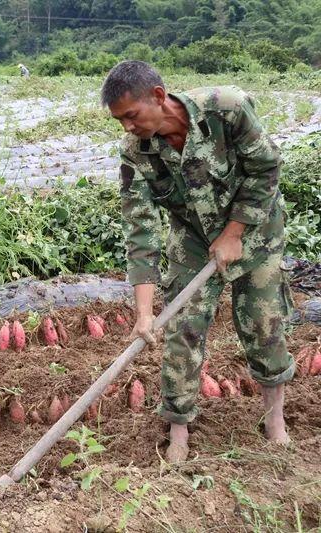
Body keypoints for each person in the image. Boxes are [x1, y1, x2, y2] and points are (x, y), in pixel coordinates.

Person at [100, 60, 295, 463]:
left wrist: (235, 232)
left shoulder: (228, 108)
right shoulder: (136, 152)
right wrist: (143, 313)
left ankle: (275, 420)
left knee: (264, 325)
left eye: (131, 116)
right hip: (191, 240)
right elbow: (140, 232)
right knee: (182, 331)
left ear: (158, 96)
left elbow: (266, 167)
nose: (126, 128)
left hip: (256, 232)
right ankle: (178, 429)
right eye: (119, 120)